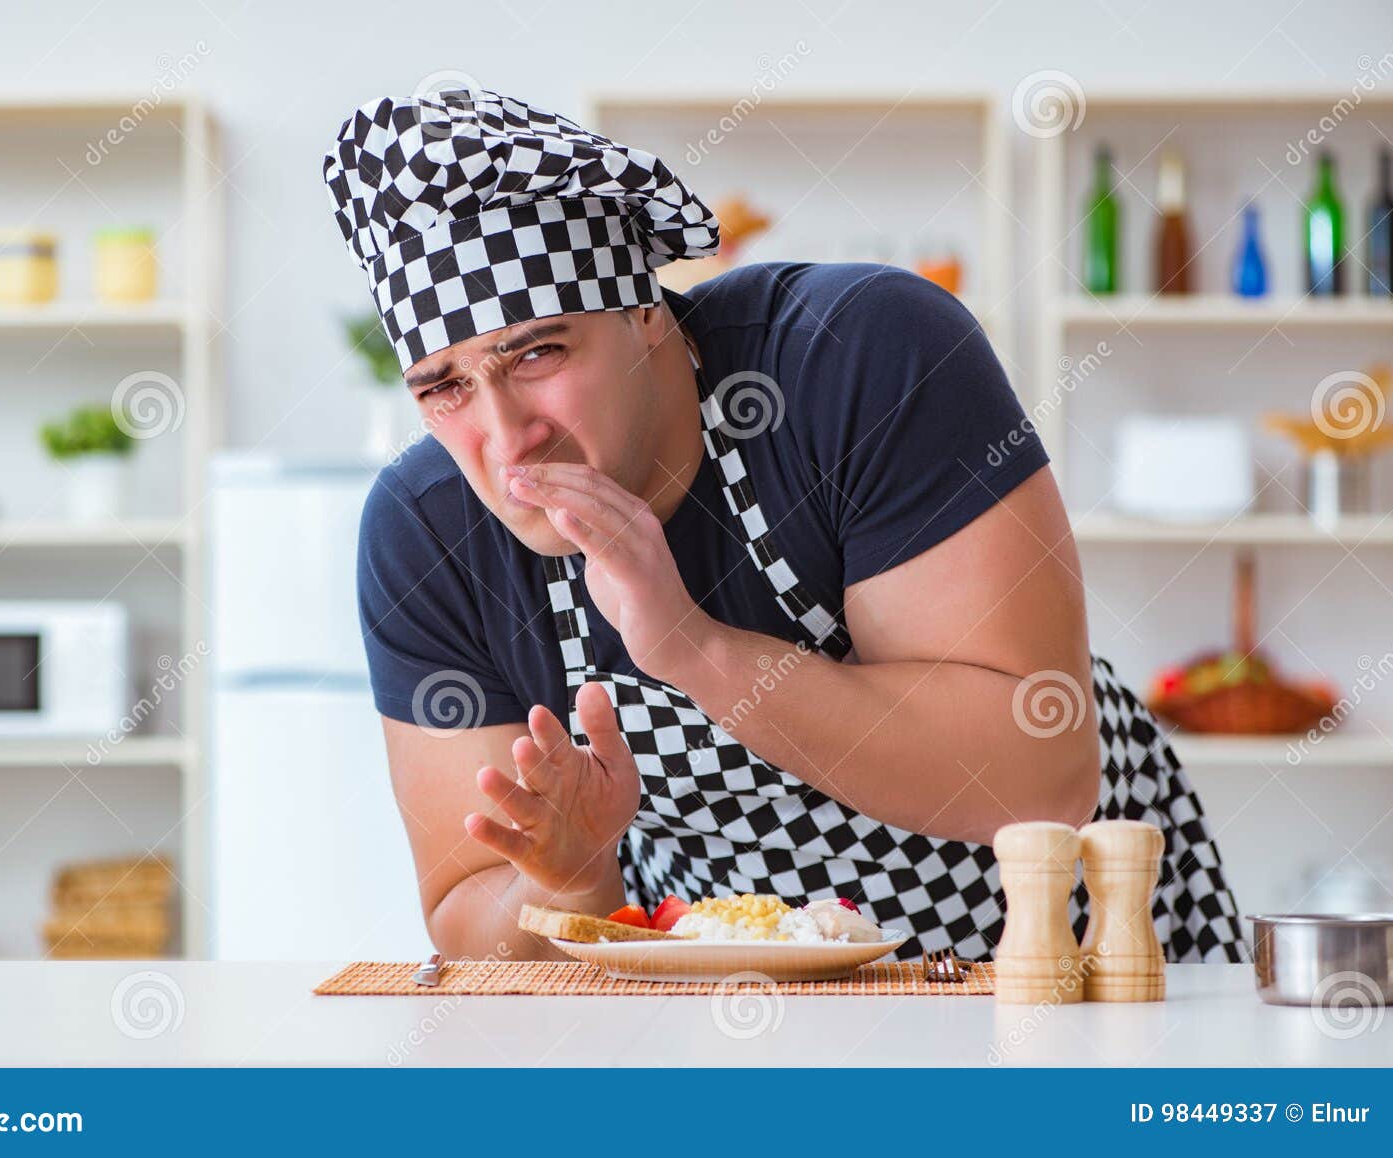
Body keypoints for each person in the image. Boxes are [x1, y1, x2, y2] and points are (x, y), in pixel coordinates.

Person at [324, 88, 1246, 963]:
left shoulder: (860, 357)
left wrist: (693, 648)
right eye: (445, 388)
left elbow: (1038, 777)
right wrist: (568, 882)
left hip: (1071, 954)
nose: (505, 439)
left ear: (644, 310)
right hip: (738, 999)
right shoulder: (428, 535)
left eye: (537, 354)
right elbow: (467, 907)